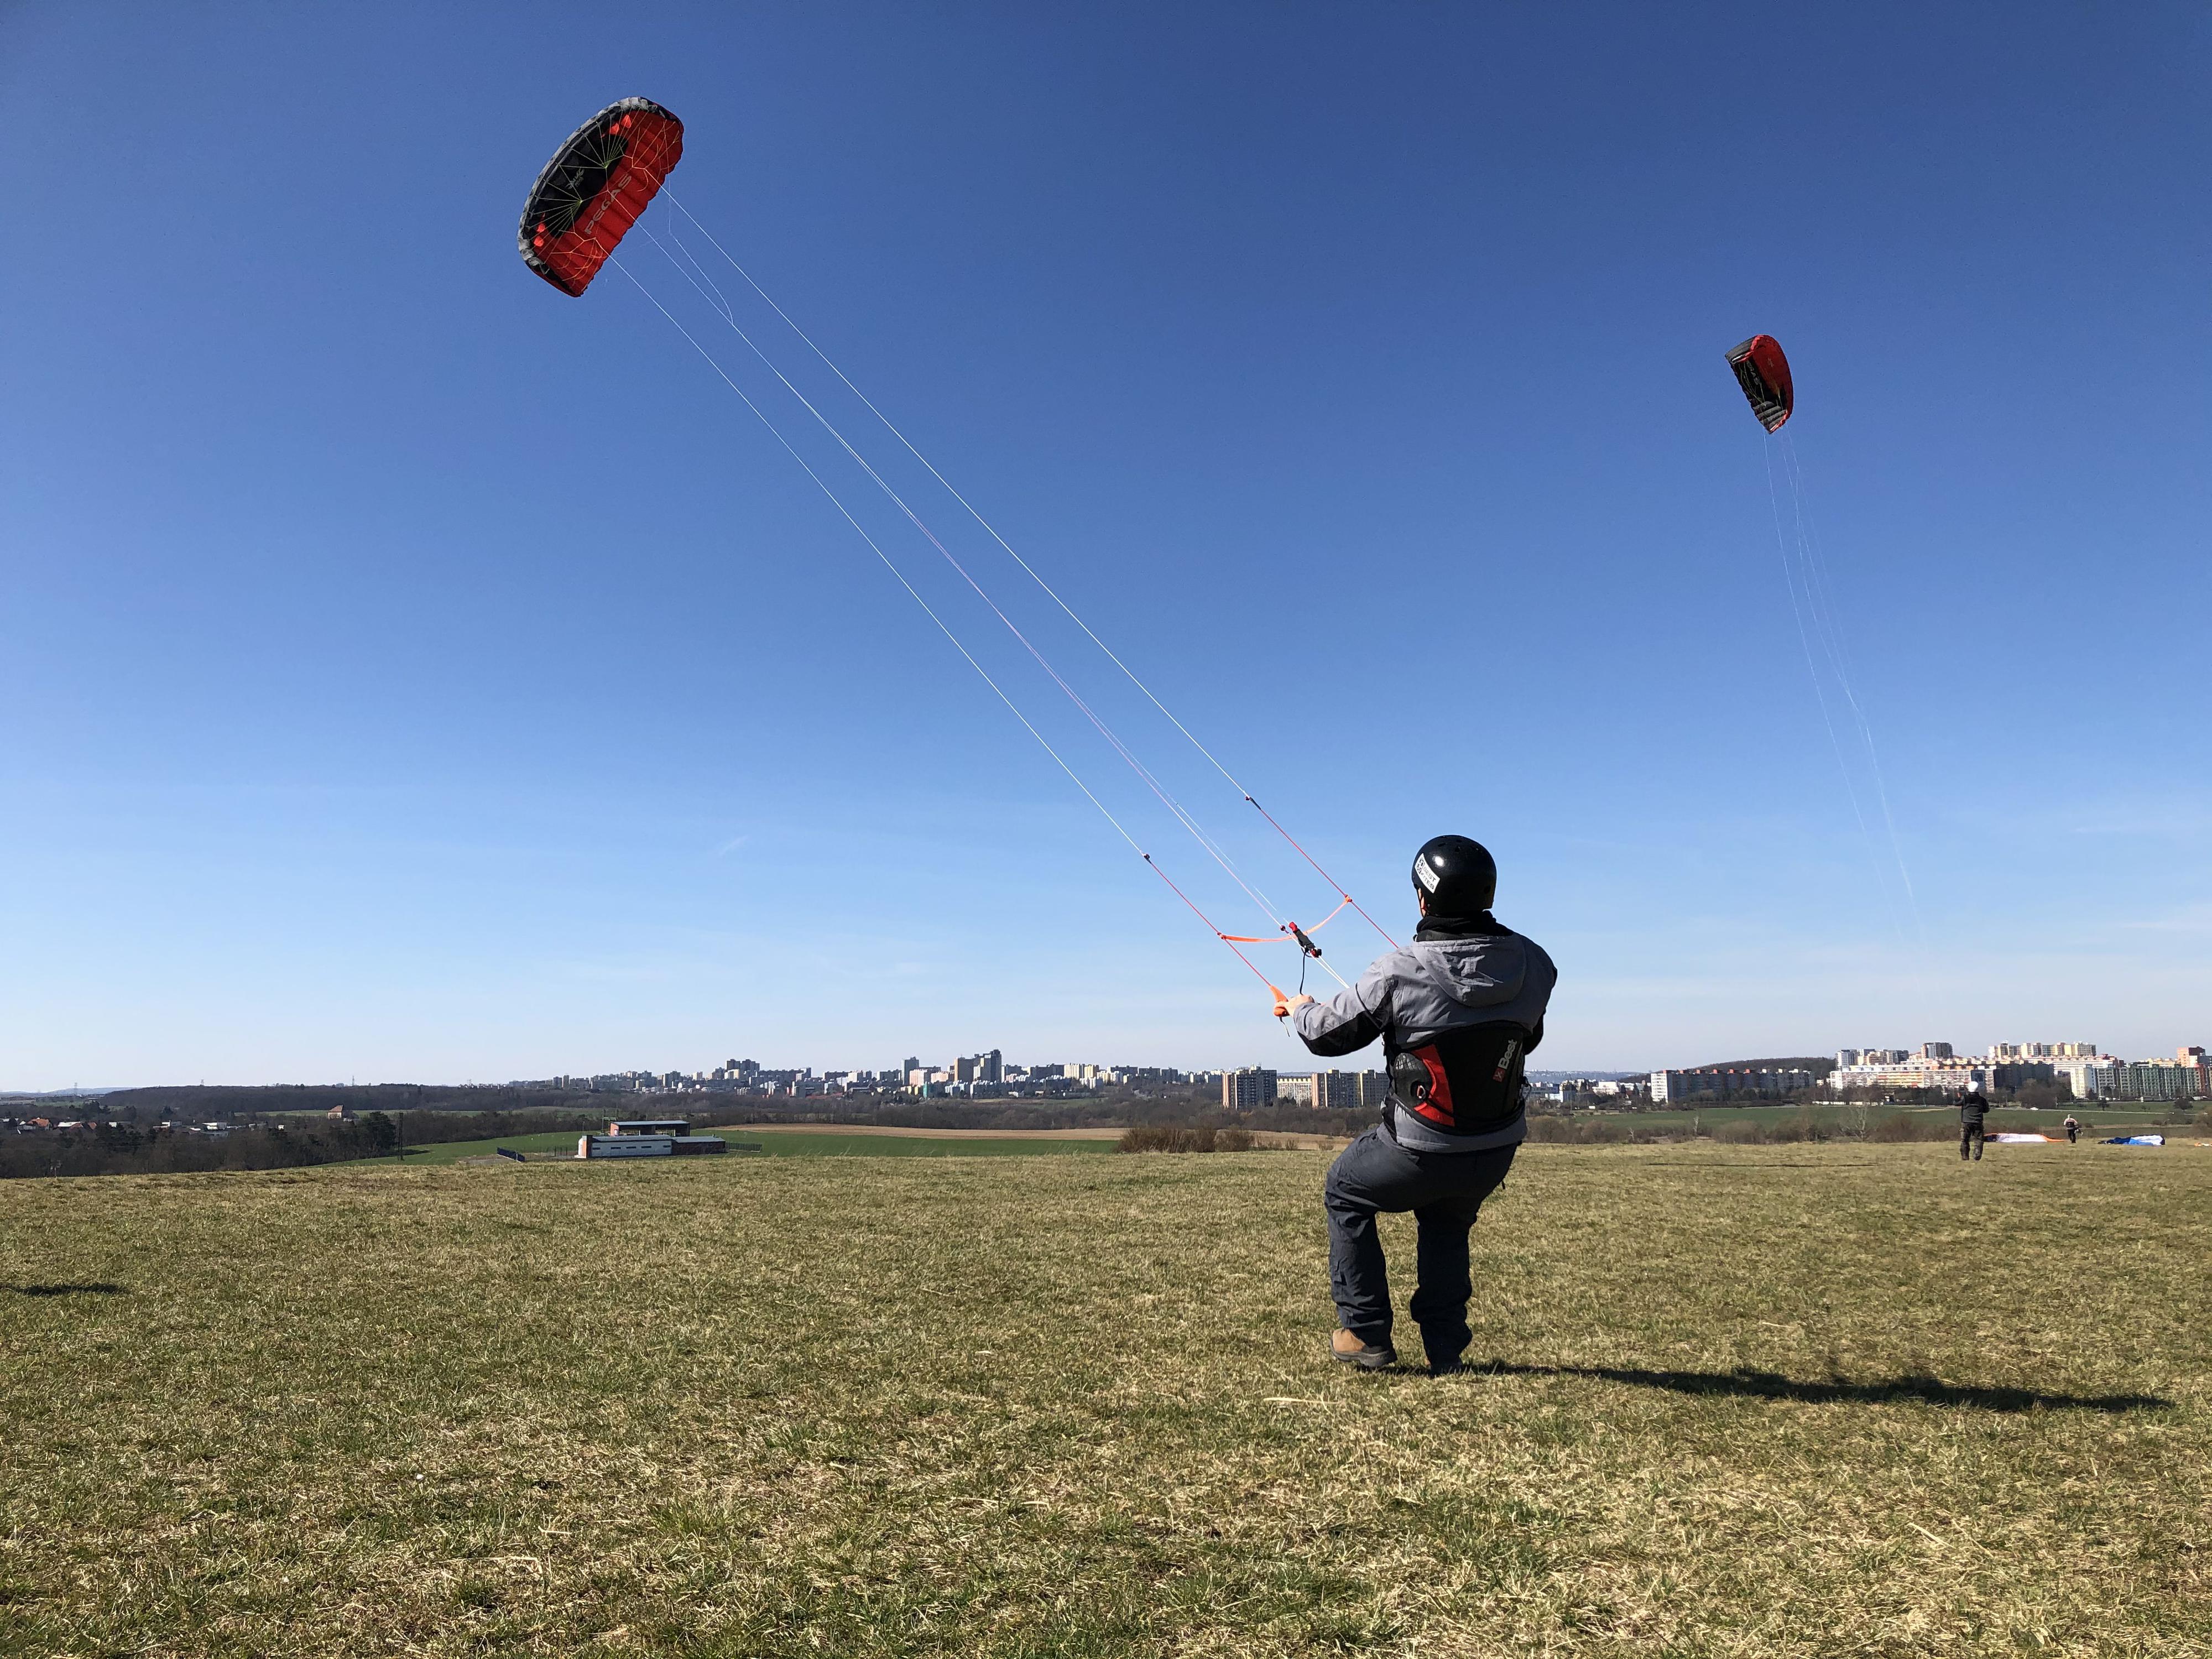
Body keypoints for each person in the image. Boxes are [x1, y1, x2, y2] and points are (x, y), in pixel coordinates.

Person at [1278, 835, 1556, 1375]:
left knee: (1345, 1190)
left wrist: (1298, 1009)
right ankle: (1445, 1347)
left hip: (1417, 1148)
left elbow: (1327, 1037)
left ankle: (1364, 1335)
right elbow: (1529, 1037)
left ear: (1423, 900)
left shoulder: (1397, 970)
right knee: (1447, 1221)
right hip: (1494, 1148)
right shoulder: (1535, 963)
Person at [1959, 1088, 1991, 1161]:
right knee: (1979, 1140)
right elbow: (1986, 1110)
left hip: (1966, 1122)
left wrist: (1960, 1095)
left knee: (1965, 1140)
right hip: (1978, 1122)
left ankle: (1965, 1157)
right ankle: (1977, 1156)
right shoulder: (1982, 1100)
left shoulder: (1965, 1098)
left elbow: (1955, 1103)